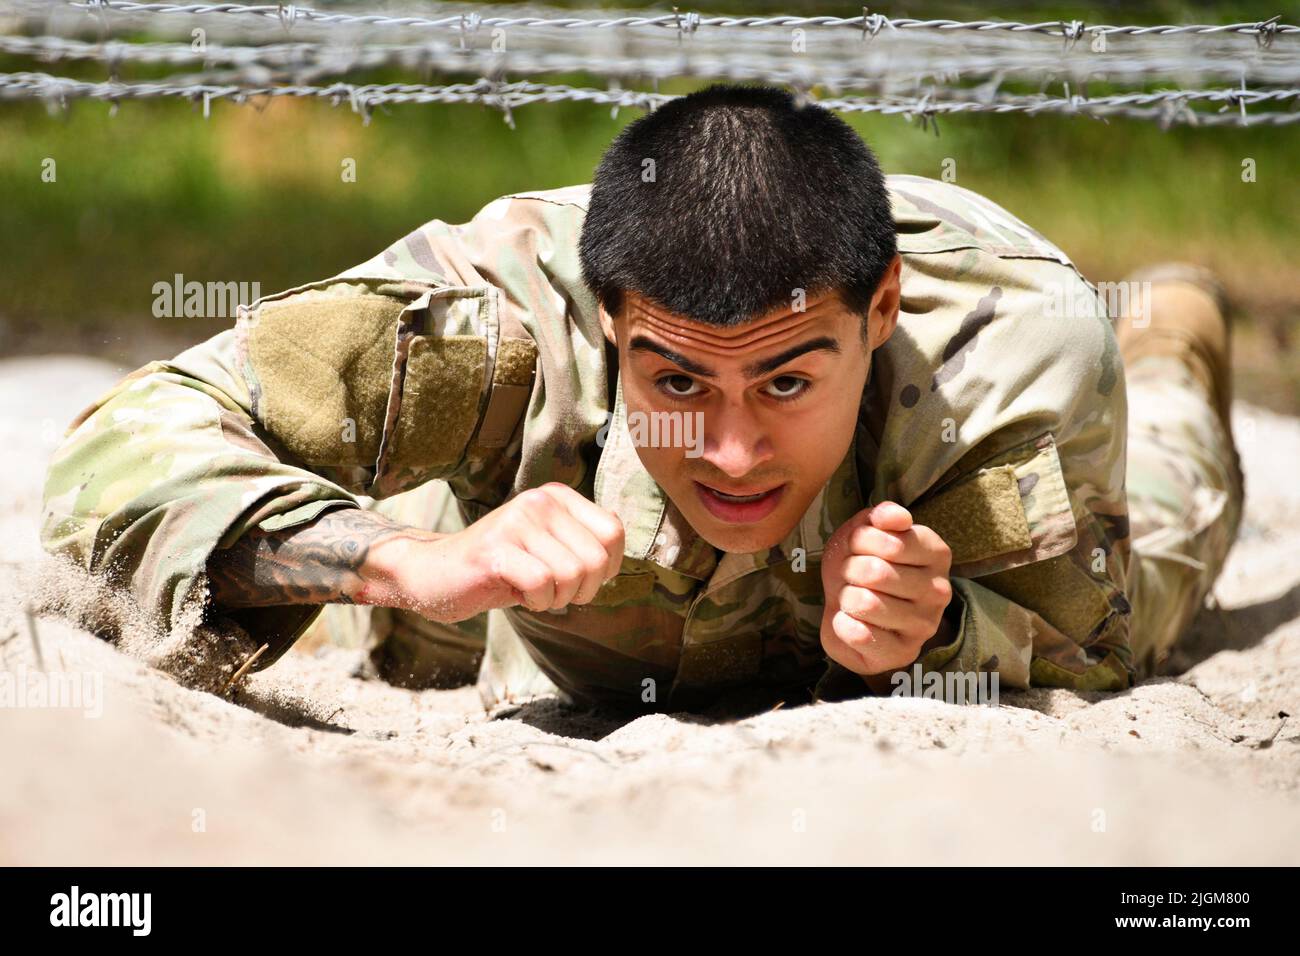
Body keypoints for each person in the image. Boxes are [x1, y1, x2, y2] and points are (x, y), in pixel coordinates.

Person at [40, 84, 1243, 713]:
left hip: (960, 467)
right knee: (406, 628)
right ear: (608, 319)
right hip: (542, 609)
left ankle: (1176, 348)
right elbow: (115, 452)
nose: (729, 449)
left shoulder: (1009, 348)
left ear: (876, 312)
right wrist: (397, 565)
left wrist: (939, 634)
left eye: (784, 378)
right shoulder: (504, 314)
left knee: (1167, 549)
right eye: (676, 379)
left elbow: (1088, 652)